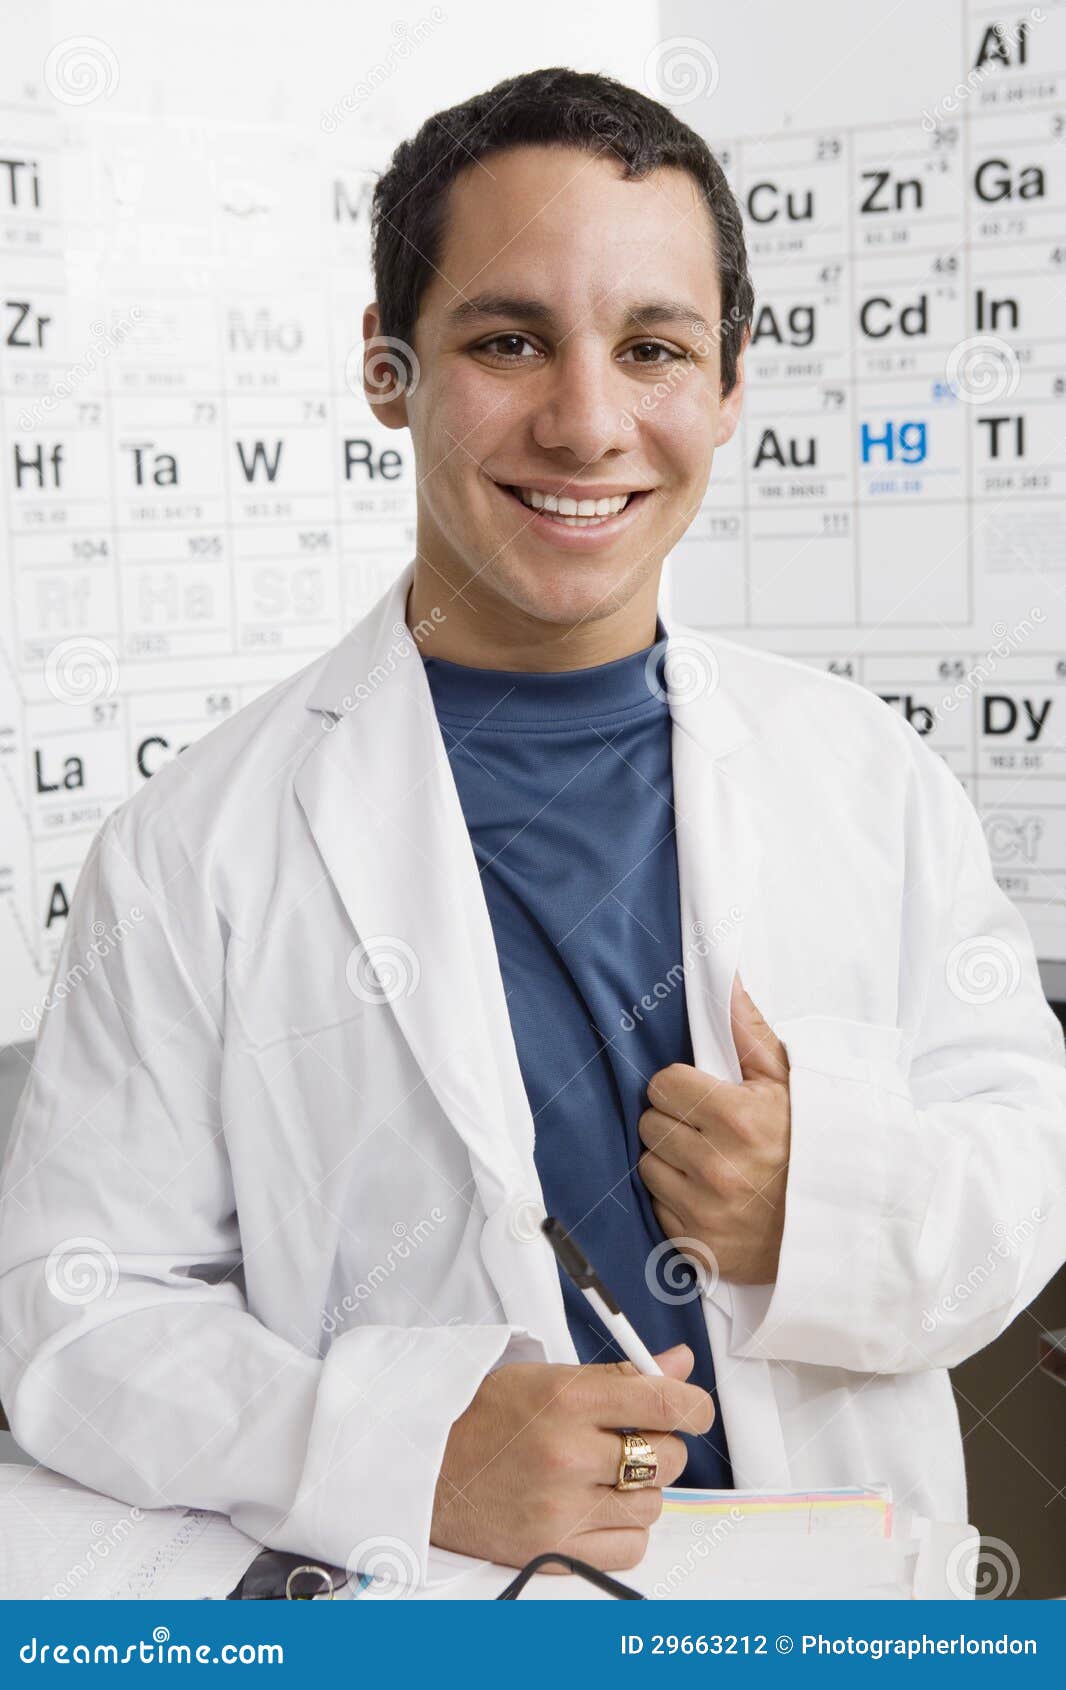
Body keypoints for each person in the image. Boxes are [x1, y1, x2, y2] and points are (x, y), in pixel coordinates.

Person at [1, 67, 1064, 1584]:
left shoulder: (871, 780)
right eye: (507, 340)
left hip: (824, 1594)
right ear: (389, 370)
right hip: (440, 1600)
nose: (585, 421)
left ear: (731, 383)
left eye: (652, 346)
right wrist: (394, 1444)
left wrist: (820, 1205)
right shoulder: (191, 848)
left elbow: (1026, 1154)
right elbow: (77, 1306)